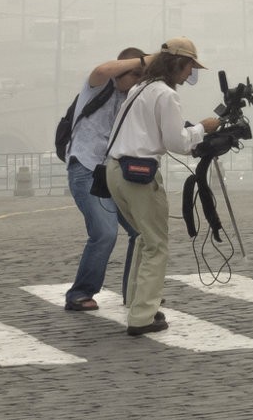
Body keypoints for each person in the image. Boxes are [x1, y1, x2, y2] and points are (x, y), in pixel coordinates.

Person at [106, 37, 221, 336]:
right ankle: (142, 316)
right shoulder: (166, 95)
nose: (189, 74)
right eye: (190, 68)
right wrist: (203, 128)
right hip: (139, 175)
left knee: (145, 238)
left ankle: (137, 301)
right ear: (179, 64)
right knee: (157, 245)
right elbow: (176, 142)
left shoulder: (139, 88)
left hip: (114, 170)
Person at [63, 47, 148, 312]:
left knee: (141, 231)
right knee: (104, 232)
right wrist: (149, 60)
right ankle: (80, 293)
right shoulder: (99, 86)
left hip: (111, 172)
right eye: (135, 75)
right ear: (122, 69)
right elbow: (102, 69)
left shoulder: (133, 99)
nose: (138, 82)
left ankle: (134, 291)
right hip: (85, 168)